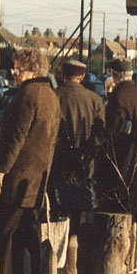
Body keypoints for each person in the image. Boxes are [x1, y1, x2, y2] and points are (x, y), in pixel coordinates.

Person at [0, 48, 61, 274]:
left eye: (18, 69)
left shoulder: (28, 96)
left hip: (17, 179)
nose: (14, 74)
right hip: (37, 180)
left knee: (0, 235)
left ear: (32, 71)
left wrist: (1, 170)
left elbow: (15, 139)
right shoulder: (51, 96)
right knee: (27, 234)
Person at [49, 58, 105, 232]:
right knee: (80, 212)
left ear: (62, 75)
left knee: (57, 210)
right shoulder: (95, 99)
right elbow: (100, 134)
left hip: (58, 163)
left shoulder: (53, 97)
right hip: (84, 164)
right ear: (81, 77)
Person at [97, 58, 137, 214]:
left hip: (121, 157)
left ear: (114, 75)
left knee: (117, 204)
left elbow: (112, 130)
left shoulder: (118, 96)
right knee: (134, 202)